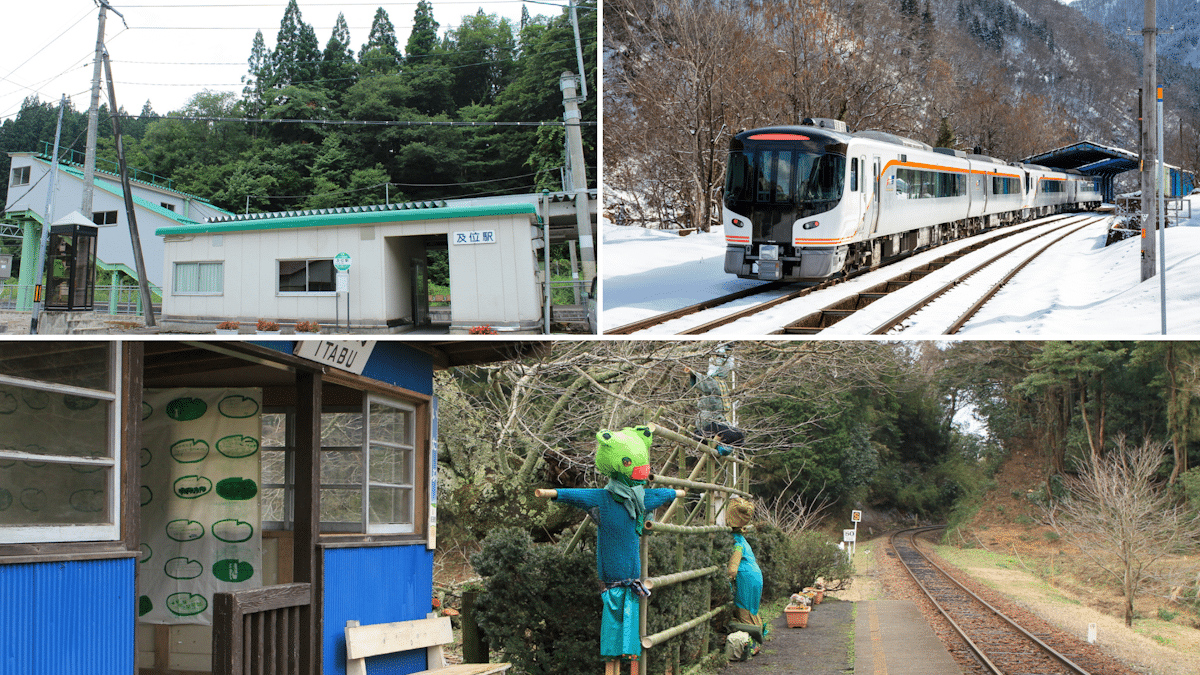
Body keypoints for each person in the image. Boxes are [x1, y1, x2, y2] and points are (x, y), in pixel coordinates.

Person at [548, 426, 678, 675]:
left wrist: (673, 492)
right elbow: (576, 495)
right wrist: (555, 493)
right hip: (611, 580)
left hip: (633, 580)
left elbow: (658, 495)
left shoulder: (638, 498)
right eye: (630, 462)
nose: (639, 469)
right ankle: (612, 670)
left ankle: (633, 669)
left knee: (632, 636)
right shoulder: (603, 499)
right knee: (612, 634)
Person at [726, 497, 764, 653]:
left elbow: (733, 569)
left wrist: (726, 580)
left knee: (744, 611)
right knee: (752, 610)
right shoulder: (742, 537)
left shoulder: (737, 541)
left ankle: (751, 644)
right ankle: (755, 638)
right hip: (755, 574)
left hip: (746, 577)